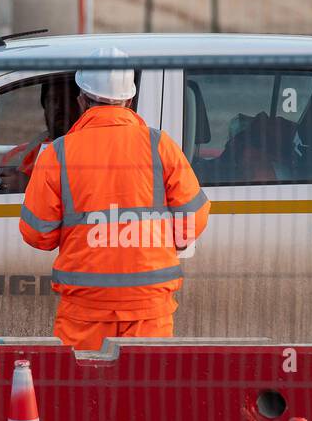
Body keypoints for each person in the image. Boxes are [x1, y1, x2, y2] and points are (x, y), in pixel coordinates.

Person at [18, 49, 210, 350]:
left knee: (83, 392)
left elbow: (37, 234)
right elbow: (193, 220)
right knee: (144, 392)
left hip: (85, 313)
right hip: (149, 309)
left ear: (82, 99)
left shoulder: (59, 154)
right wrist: (154, 239)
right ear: (129, 101)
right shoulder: (160, 146)